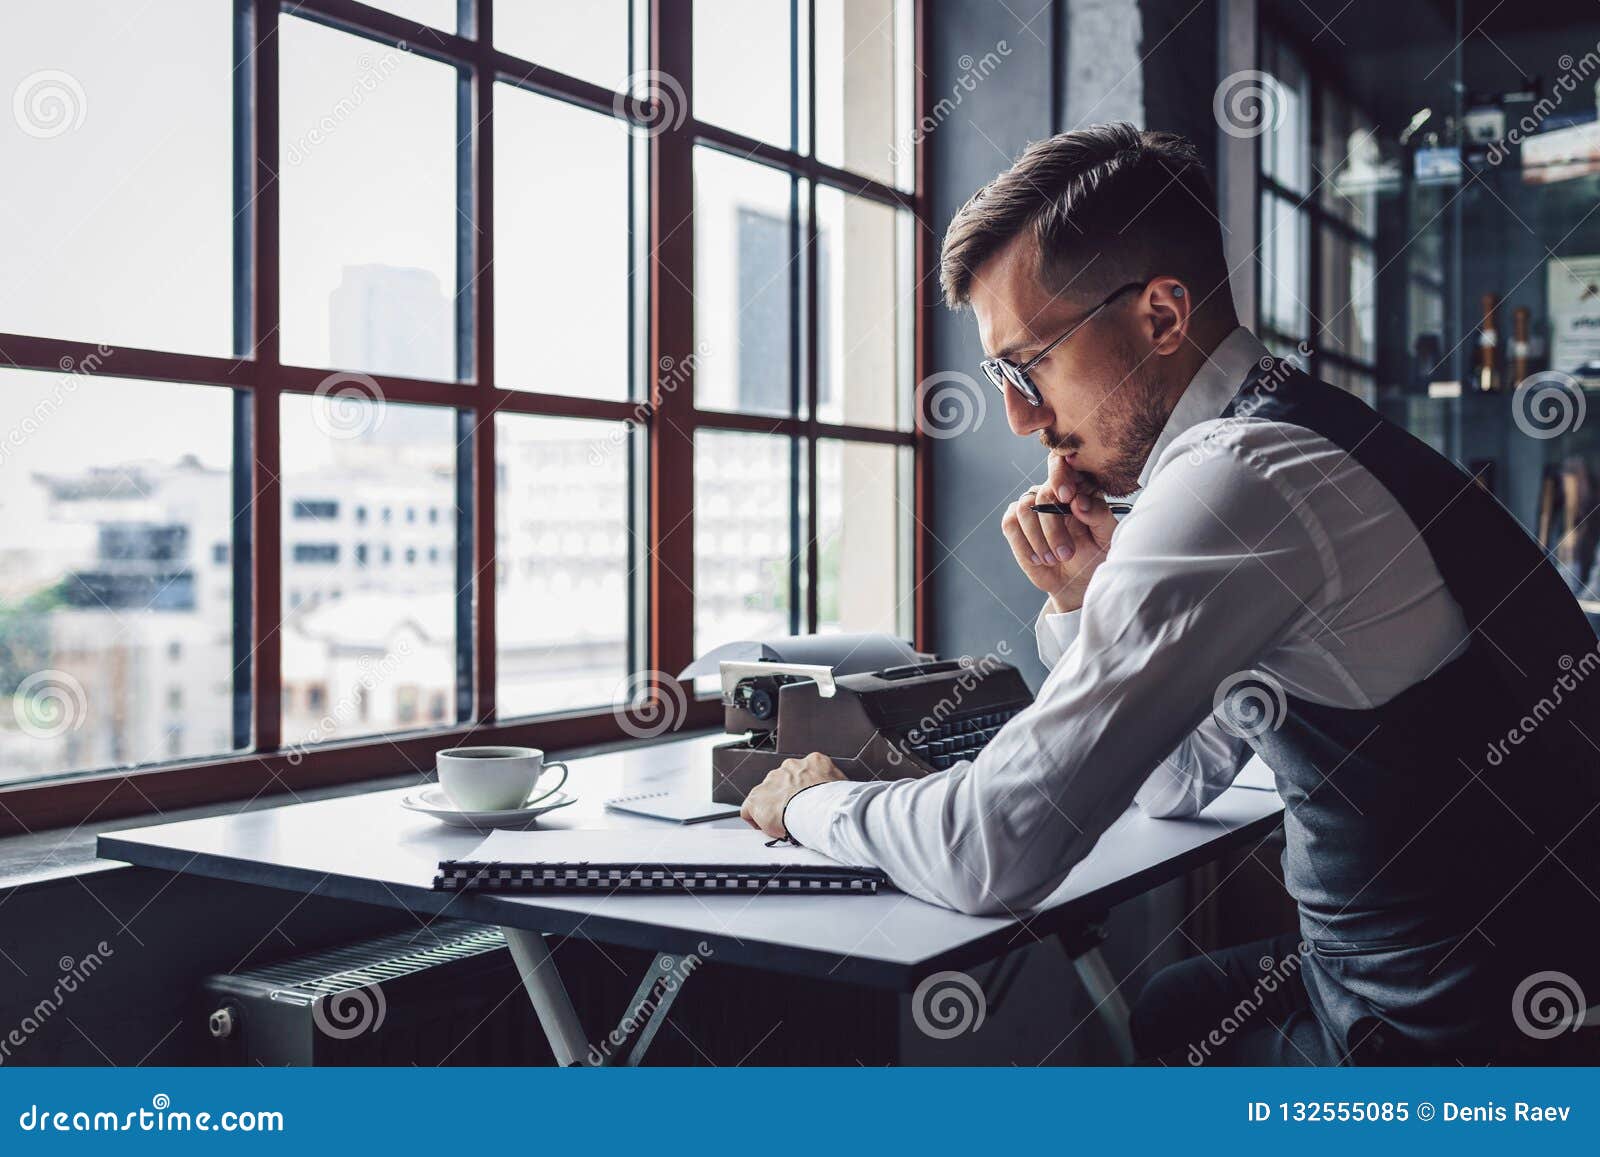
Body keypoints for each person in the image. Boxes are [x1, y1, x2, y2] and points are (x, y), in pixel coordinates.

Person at [739, 123, 1600, 1064]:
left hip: (1448, 1036)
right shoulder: (1304, 427)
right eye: (1000, 375)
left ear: (1160, 317)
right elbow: (1177, 783)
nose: (1020, 417)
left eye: (1030, 364)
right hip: (1503, 973)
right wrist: (1087, 597)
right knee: (1177, 1007)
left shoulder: (1234, 478)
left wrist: (817, 800)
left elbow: (991, 851)